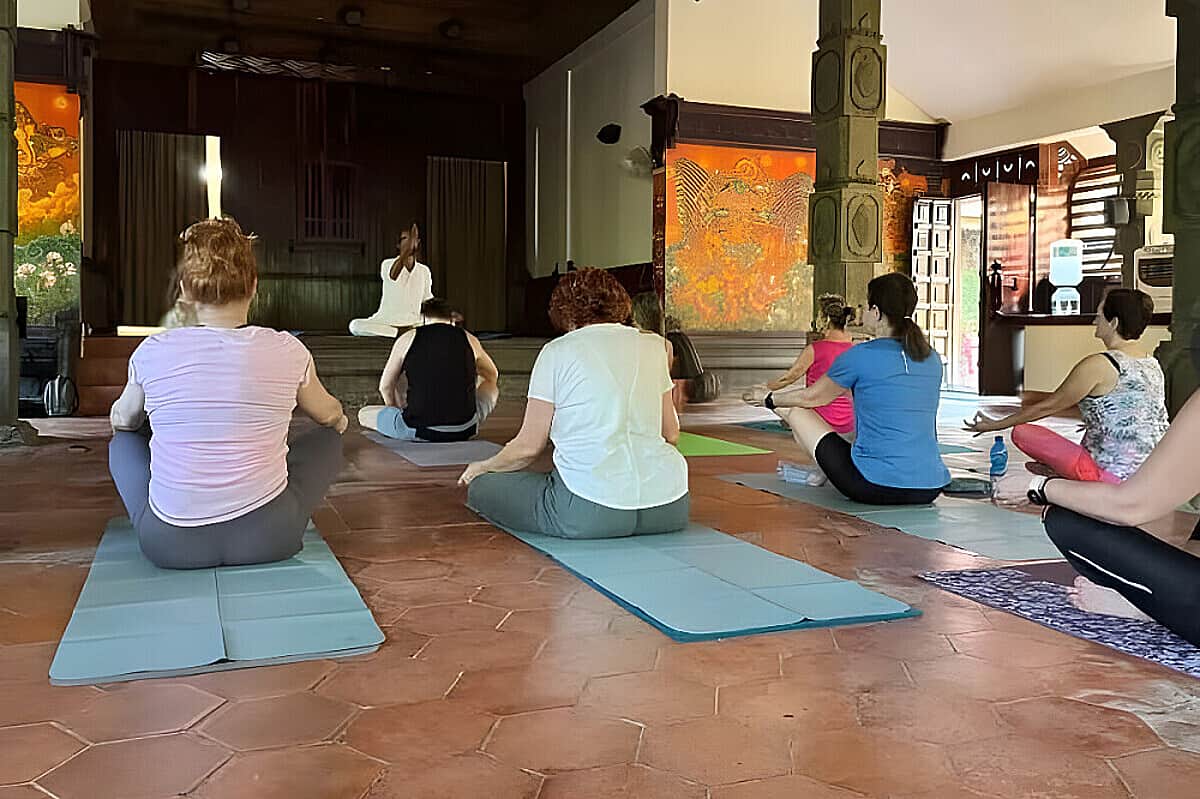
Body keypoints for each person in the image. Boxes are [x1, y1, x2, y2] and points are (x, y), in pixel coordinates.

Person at [108, 218, 347, 569]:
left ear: (186, 290)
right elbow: (330, 415)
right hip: (270, 537)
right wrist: (338, 419)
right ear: (253, 285)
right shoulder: (288, 349)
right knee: (330, 438)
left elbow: (122, 420)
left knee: (122, 442)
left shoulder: (152, 350)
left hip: (170, 546)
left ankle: (172, 510)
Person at [459, 268, 689, 539]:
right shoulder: (654, 347)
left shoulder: (558, 351)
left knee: (482, 487)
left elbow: (528, 447)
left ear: (563, 311)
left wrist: (482, 467)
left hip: (588, 508)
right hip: (669, 506)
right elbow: (671, 433)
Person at [1030, 356, 1200, 645]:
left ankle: (1151, 606)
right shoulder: (1149, 367)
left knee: (1065, 519)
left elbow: (1130, 506)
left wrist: (1038, 487)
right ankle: (1151, 604)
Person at [746, 273, 949, 505]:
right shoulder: (931, 357)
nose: (860, 311)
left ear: (876, 312)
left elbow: (811, 398)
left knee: (796, 411)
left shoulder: (860, 354)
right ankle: (820, 473)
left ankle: (819, 471)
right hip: (930, 486)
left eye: (865, 305)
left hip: (872, 485)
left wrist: (768, 399)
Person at [966, 289, 1168, 483]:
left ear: (1113, 323)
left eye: (1099, 315)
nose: (1094, 321)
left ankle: (1074, 474)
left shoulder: (1100, 364)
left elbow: (1048, 406)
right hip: (1152, 472)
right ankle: (1065, 471)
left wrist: (993, 425)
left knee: (1024, 432)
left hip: (1113, 473)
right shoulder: (1152, 364)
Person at [358, 298, 500, 442]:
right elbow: (492, 375)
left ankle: (404, 421)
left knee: (364, 414)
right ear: (452, 319)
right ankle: (464, 420)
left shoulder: (408, 338)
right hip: (465, 429)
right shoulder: (470, 339)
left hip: (419, 430)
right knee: (491, 387)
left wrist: (393, 410)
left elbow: (386, 386)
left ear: (423, 318)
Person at [761, 293, 856, 437]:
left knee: (792, 407)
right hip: (850, 422)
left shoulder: (815, 349)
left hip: (821, 421)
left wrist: (763, 390)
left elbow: (789, 378)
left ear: (826, 320)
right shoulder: (855, 349)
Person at [349, 221, 433, 337]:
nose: (409, 242)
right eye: (405, 239)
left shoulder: (424, 271)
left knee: (440, 324)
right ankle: (401, 333)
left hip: (413, 323)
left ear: (418, 242)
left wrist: (446, 315)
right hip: (387, 321)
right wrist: (407, 250)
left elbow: (428, 300)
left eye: (412, 239)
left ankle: (408, 333)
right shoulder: (387, 264)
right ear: (398, 245)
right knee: (355, 325)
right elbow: (393, 275)